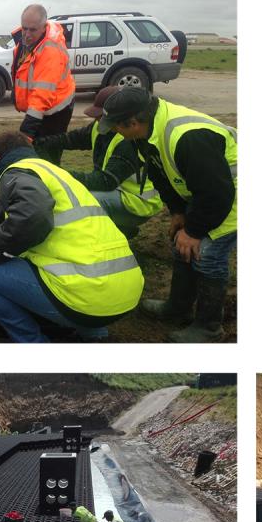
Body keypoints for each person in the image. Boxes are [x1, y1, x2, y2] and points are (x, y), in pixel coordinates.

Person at [0, 131, 144, 343]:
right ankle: (94, 333)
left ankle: (34, 343)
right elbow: (43, 209)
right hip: (125, 293)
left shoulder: (14, 172)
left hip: (85, 300)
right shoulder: (55, 173)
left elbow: (34, 214)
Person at [98, 87, 237, 342]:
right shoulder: (145, 133)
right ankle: (178, 308)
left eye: (116, 125)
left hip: (230, 196)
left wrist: (194, 231)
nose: (114, 132)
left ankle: (209, 328)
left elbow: (217, 194)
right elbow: (159, 174)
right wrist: (177, 213)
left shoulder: (187, 138)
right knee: (179, 244)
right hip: (205, 193)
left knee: (207, 254)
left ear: (133, 122)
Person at [35, 85, 163, 238]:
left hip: (137, 203)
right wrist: (42, 142)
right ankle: (120, 228)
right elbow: (73, 139)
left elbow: (105, 181)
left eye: (100, 117)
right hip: (118, 193)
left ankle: (109, 232)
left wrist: (59, 176)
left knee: (83, 200)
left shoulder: (127, 141)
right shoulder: (101, 127)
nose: (96, 120)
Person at [11, 4, 75, 161]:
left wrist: (26, 132)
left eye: (32, 30)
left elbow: (42, 95)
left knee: (47, 156)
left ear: (43, 26)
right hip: (40, 108)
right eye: (24, 28)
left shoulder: (50, 52)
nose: (26, 34)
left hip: (56, 111)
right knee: (35, 153)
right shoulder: (26, 41)